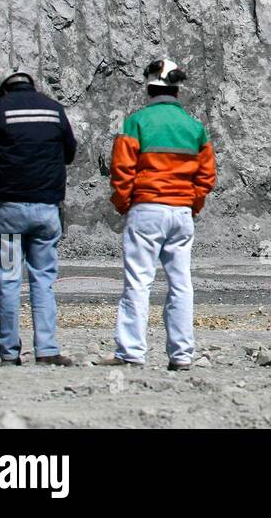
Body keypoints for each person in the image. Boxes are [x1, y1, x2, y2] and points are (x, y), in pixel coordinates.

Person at [102, 58, 216, 371]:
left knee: (138, 282)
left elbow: (122, 171)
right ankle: (181, 355)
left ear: (149, 85)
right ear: (178, 88)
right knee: (181, 283)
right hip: (181, 212)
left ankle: (131, 353)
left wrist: (126, 204)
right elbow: (206, 176)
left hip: (147, 208)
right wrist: (192, 205)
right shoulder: (194, 127)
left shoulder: (136, 122)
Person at [0, 71, 77, 367]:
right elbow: (70, 152)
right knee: (43, 280)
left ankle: (8, 353)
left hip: (8, 210)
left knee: (7, 280)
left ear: (4, 90)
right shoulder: (54, 108)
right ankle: (46, 350)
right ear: (33, 86)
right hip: (46, 210)